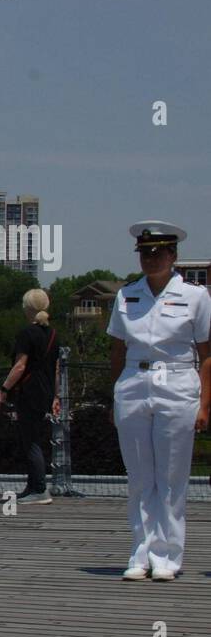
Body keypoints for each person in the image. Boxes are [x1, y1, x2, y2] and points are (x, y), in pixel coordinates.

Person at [107, 221, 211, 582]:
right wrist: (116, 394)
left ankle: (167, 555)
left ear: (174, 255)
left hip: (178, 382)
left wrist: (205, 403)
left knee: (171, 476)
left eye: (159, 252)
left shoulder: (196, 296)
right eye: (145, 253)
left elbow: (206, 353)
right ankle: (140, 553)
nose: (152, 258)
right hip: (134, 382)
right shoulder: (127, 295)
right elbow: (117, 350)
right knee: (139, 476)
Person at [0, 288, 61, 504]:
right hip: (46, 392)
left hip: (29, 392)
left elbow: (20, 366)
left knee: (29, 441)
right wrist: (56, 396)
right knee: (34, 437)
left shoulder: (26, 334)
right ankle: (32, 486)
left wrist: (2, 391)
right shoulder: (53, 335)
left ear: (26, 308)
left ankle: (39, 489)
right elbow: (57, 369)